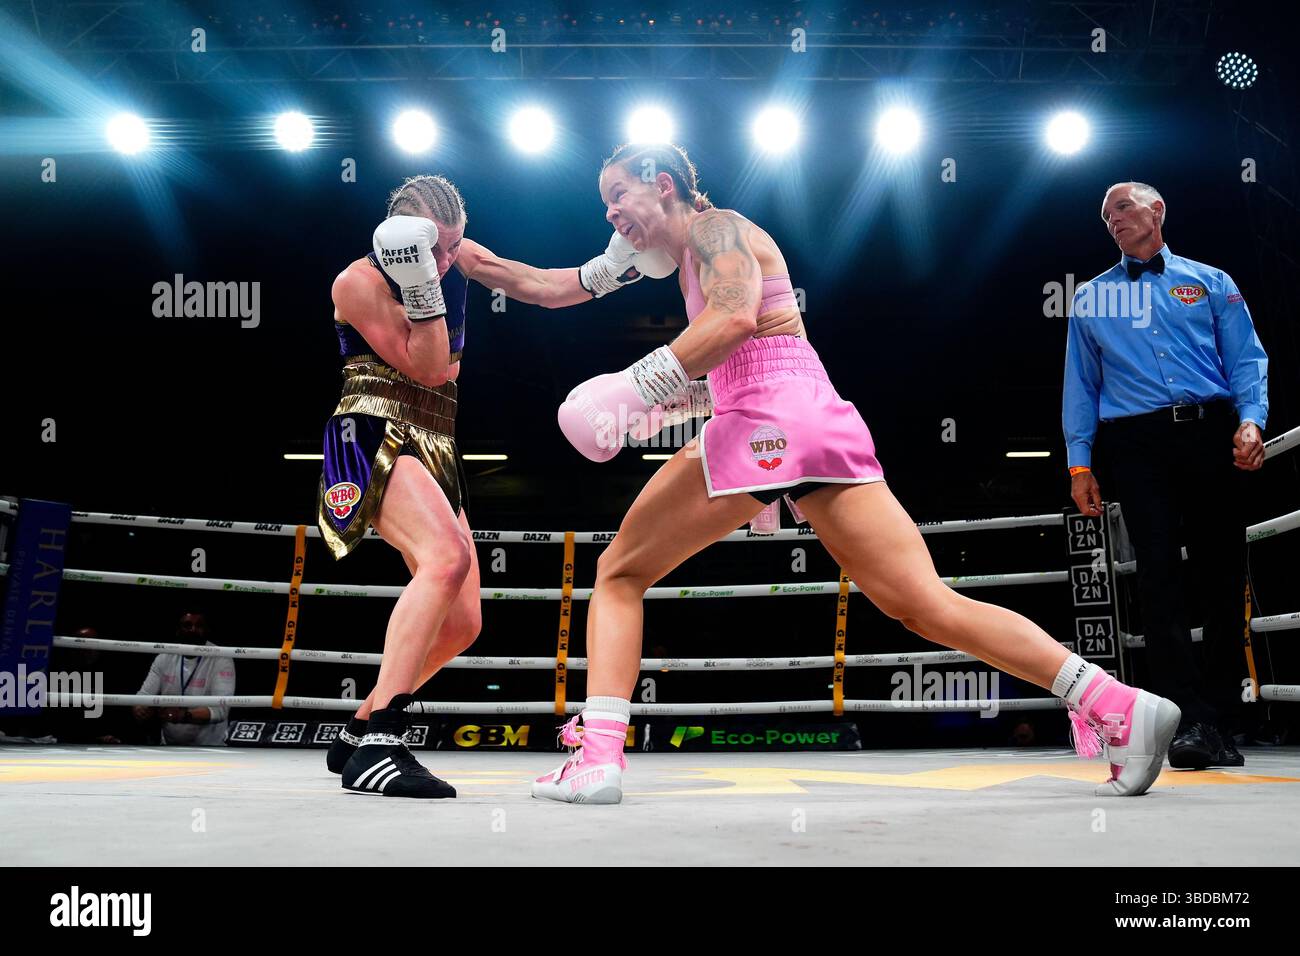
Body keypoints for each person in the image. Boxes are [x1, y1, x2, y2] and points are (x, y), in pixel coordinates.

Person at [535, 143, 1181, 805]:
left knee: (619, 572)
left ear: (661, 183)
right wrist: (675, 402)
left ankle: (599, 760)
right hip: (811, 414)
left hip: (766, 419)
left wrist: (641, 383)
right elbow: (762, 343)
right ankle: (1116, 702)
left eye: (617, 195)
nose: (611, 213)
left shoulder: (713, 228)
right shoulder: (705, 249)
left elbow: (731, 319)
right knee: (924, 604)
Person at [320, 174, 674, 797]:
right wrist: (420, 282)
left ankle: (358, 727)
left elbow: (537, 286)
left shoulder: (457, 254)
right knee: (445, 558)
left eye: (455, 249)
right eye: (438, 252)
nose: (451, 261)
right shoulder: (357, 282)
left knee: (463, 622)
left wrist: (617, 267)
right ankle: (382, 742)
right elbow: (429, 367)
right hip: (371, 427)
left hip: (436, 439)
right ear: (404, 241)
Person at [1064, 181, 1269, 769]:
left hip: (1209, 431)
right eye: (1105, 215)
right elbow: (1081, 383)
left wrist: (1251, 420)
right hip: (1135, 444)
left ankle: (1222, 724)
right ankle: (1183, 721)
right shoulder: (1093, 299)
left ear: (1157, 211)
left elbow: (1248, 358)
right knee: (1157, 580)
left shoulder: (1212, 281)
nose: (1113, 220)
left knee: (1222, 574)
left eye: (1122, 207)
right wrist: (1080, 460)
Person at [132, 612, 235, 746]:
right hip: (170, 747)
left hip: (210, 747)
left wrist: (182, 715)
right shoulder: (164, 657)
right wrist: (141, 710)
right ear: (178, 630)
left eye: (199, 625)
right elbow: (142, 697)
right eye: (187, 625)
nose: (193, 629)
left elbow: (221, 711)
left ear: (207, 630)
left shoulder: (221, 658)